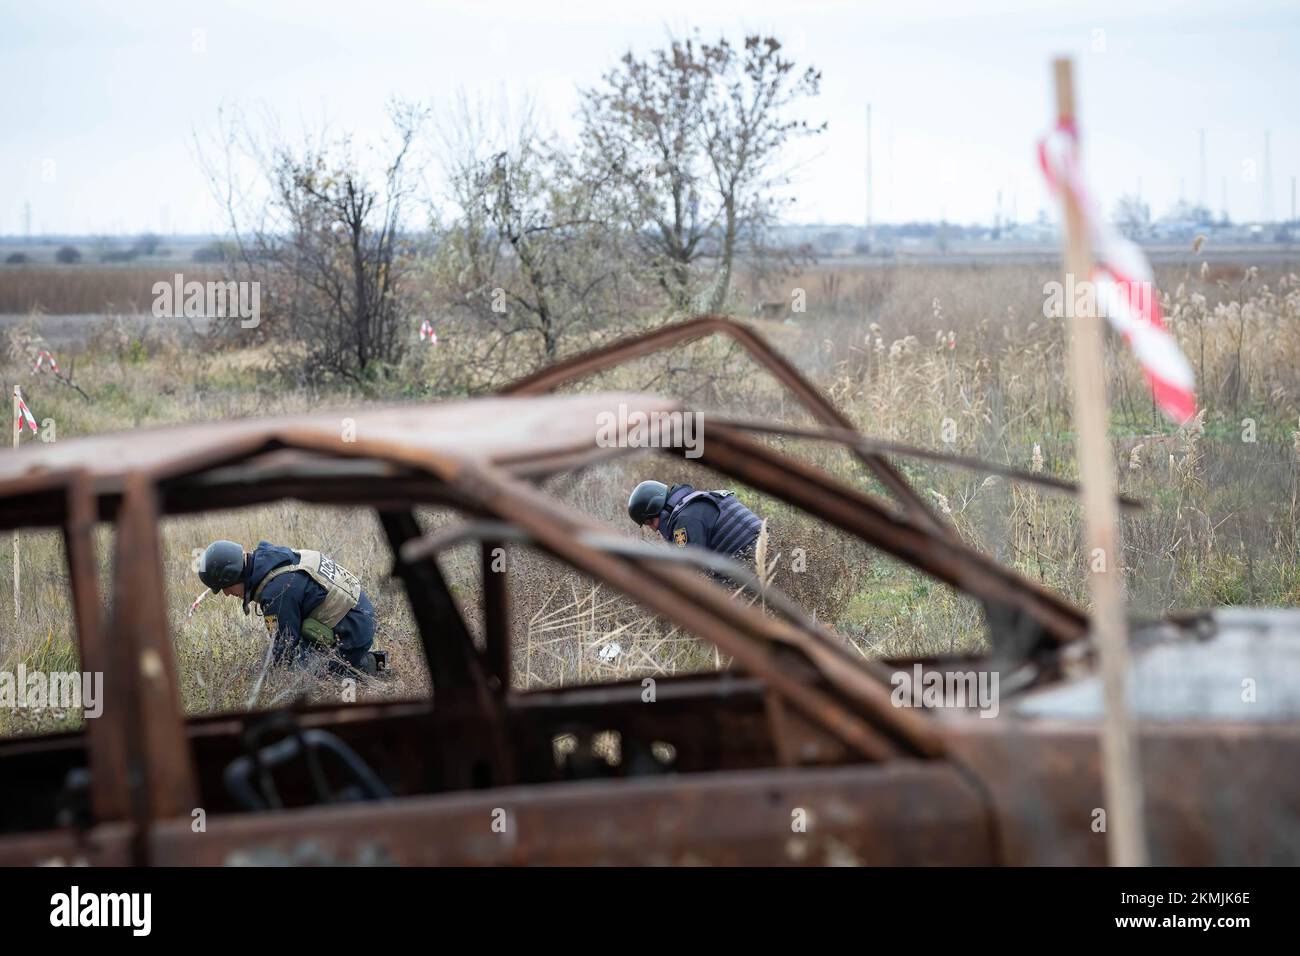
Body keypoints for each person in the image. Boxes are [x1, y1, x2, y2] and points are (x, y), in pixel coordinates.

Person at [197, 539, 386, 676]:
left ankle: (366, 664)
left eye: (225, 588)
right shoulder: (270, 559)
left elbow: (283, 649)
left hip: (354, 629)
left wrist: (258, 674)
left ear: (233, 576)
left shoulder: (276, 592)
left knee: (298, 675)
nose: (227, 594)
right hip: (358, 612)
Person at [626, 479, 765, 568]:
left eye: (649, 521)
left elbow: (692, 572)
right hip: (768, 548)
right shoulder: (697, 500)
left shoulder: (684, 520)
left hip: (751, 562)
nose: (653, 528)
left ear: (658, 509)